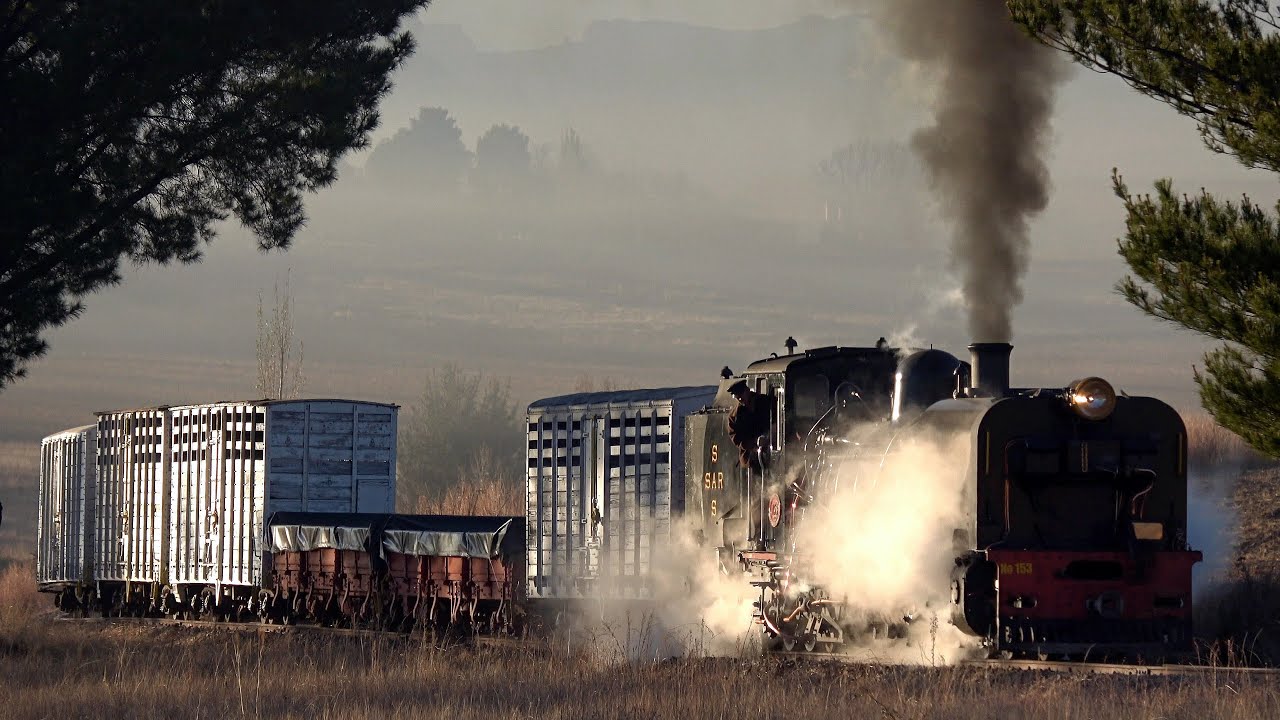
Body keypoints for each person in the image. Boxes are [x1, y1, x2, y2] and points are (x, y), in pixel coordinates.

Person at [727, 379, 774, 472]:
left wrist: (770, 436)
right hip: (752, 460)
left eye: (741, 394)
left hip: (772, 453)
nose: (740, 398)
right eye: (737, 396)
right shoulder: (734, 416)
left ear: (747, 390)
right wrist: (754, 443)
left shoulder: (767, 402)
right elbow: (738, 439)